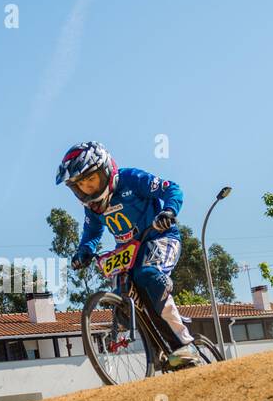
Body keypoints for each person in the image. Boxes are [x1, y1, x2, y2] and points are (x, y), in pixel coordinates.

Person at [57, 141, 200, 369]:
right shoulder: (93, 207)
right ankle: (158, 351)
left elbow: (171, 188)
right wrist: (84, 251)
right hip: (128, 252)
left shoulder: (131, 178)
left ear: (105, 170)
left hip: (159, 238)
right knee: (123, 304)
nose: (88, 188)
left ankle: (185, 343)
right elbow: (92, 232)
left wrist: (169, 211)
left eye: (91, 179)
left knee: (148, 276)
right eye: (81, 185)